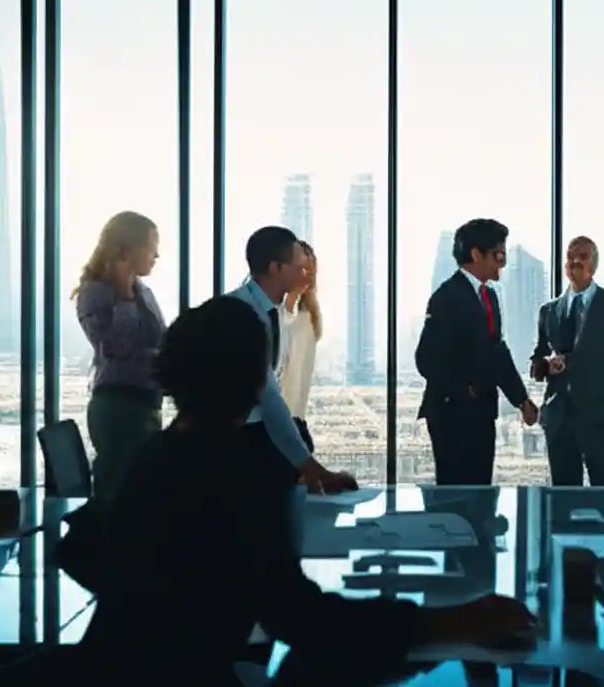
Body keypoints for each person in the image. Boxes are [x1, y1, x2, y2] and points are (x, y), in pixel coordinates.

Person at [78, 296, 536, 681]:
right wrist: (452, 622)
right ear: (257, 381)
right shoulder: (238, 477)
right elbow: (300, 619)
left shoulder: (151, 458)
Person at [228, 226, 353, 493]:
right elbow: (269, 396)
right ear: (276, 268)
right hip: (237, 439)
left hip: (258, 433)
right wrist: (309, 466)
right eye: (298, 266)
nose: (304, 272)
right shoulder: (239, 314)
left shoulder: (273, 314)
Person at [415, 218, 539, 485]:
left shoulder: (489, 296)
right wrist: (465, 387)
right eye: (498, 255)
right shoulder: (447, 297)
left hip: (481, 411)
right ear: (476, 254)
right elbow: (426, 359)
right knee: (456, 493)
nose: (502, 263)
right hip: (452, 414)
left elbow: (497, 352)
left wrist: (521, 399)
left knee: (480, 489)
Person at [530, 236, 604, 486]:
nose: (574, 262)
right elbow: (537, 360)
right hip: (558, 420)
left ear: (594, 265)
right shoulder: (549, 311)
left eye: (582, 257)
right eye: (570, 257)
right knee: (563, 499)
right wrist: (545, 365)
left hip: (602, 417)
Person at [73, 211, 166, 504]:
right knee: (120, 497)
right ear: (128, 249)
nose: (157, 255)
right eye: (151, 247)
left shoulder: (144, 292)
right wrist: (124, 294)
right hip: (118, 408)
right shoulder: (95, 293)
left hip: (145, 406)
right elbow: (117, 347)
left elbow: (159, 341)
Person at [277, 240, 321, 453]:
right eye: (303, 268)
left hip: (296, 415)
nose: (308, 274)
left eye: (311, 267)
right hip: (283, 416)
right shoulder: (283, 310)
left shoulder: (309, 312)